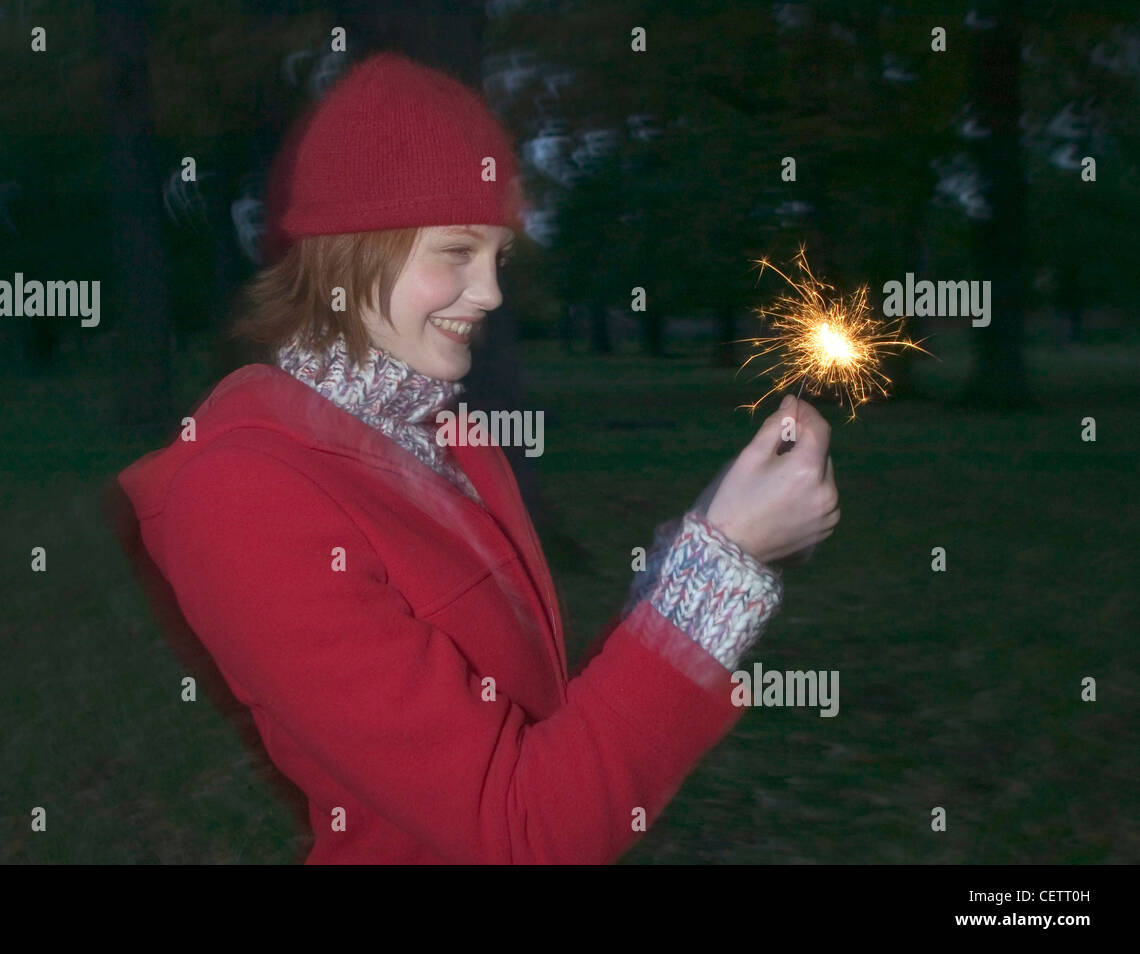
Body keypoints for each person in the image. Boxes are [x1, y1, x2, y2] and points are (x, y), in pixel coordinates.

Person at [116, 52, 839, 864]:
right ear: (354, 250)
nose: (492, 292)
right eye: (457, 252)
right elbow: (520, 831)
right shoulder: (243, 499)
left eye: (498, 255)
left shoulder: (449, 437)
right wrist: (722, 570)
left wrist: (705, 539)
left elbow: (544, 719)